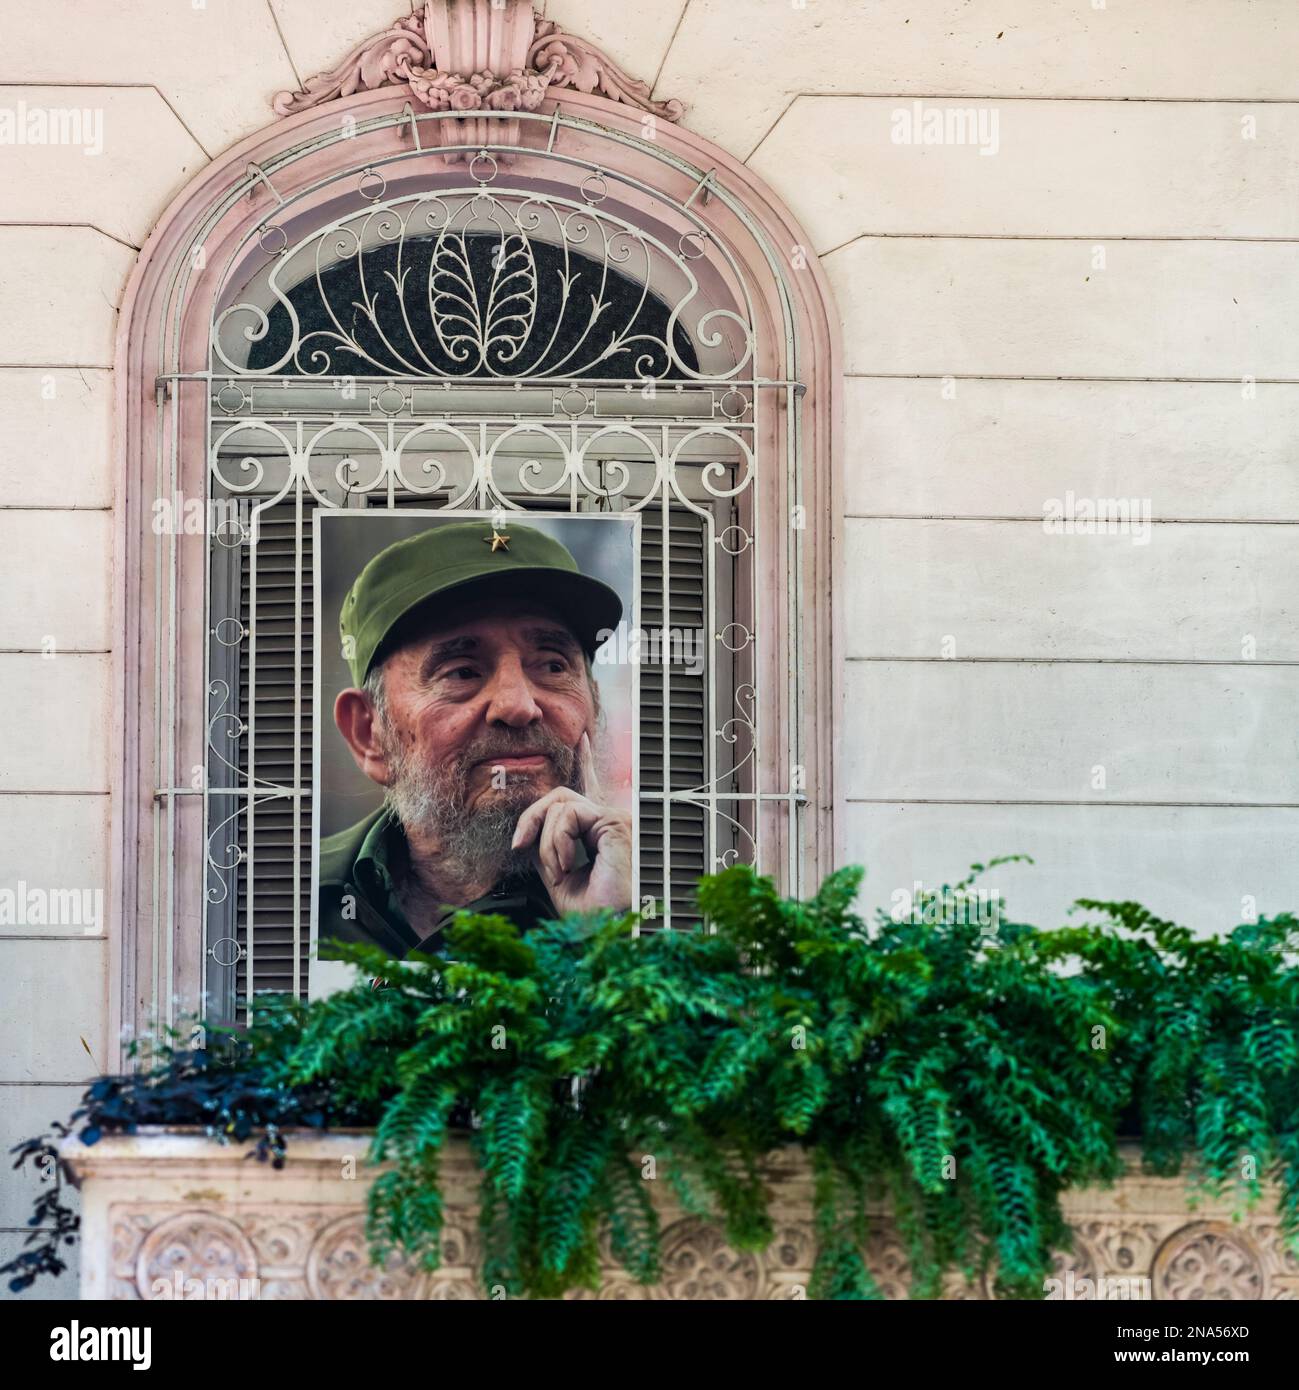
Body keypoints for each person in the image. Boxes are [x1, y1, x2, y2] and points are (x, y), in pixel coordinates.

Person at [318, 518, 633, 960]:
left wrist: (614, 937)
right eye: (462, 671)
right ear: (369, 733)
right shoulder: (288, 899)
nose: (519, 706)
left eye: (553, 666)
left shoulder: (658, 903)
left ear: (594, 706)